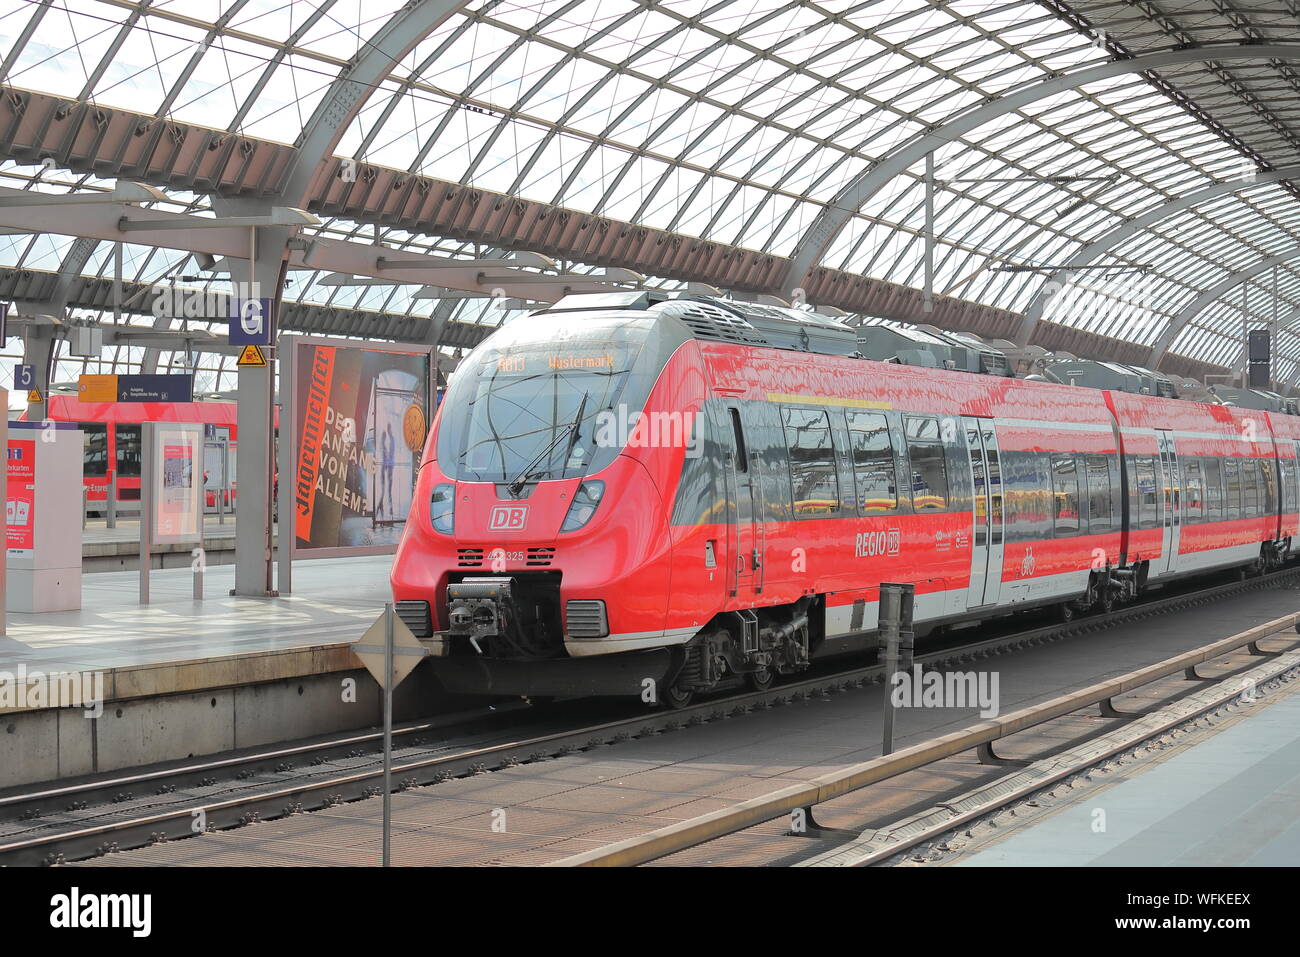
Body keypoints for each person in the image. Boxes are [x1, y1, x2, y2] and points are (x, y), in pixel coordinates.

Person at [380, 424, 395, 521]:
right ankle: (386, 509)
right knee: (385, 490)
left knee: (387, 490)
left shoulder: (390, 441)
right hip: (386, 467)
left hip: (388, 467)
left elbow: (389, 455)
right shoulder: (386, 444)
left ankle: (388, 509)